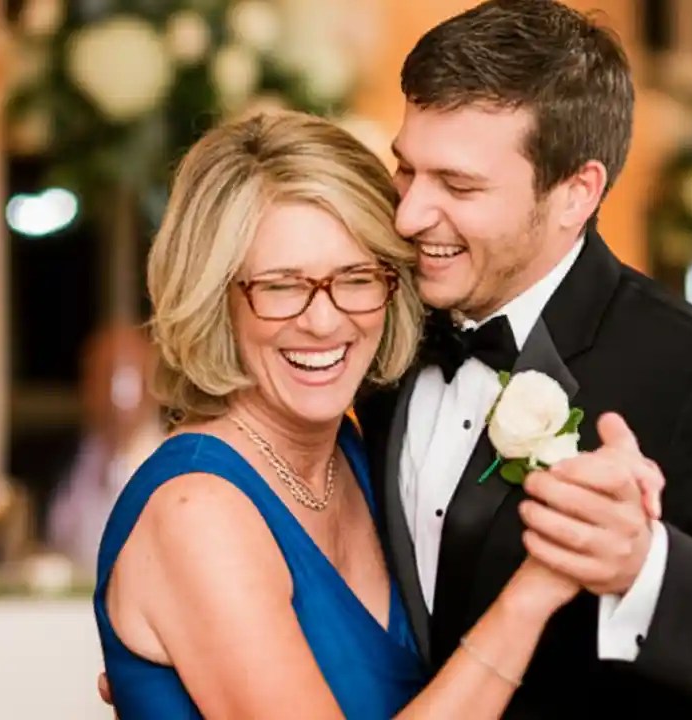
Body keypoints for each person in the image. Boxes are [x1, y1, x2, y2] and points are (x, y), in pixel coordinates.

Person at [352, 0, 692, 717]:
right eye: (406, 171)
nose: (408, 215)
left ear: (576, 193)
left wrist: (647, 567)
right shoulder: (383, 333)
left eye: (459, 185)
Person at [93, 110, 648, 718]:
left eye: (355, 278)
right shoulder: (196, 511)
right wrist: (540, 583)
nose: (324, 321)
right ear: (215, 299)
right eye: (280, 286)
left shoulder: (362, 455)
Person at [47, 323, 165, 576]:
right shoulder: (66, 457)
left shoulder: (172, 467)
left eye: (127, 381)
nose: (113, 396)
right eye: (101, 379)